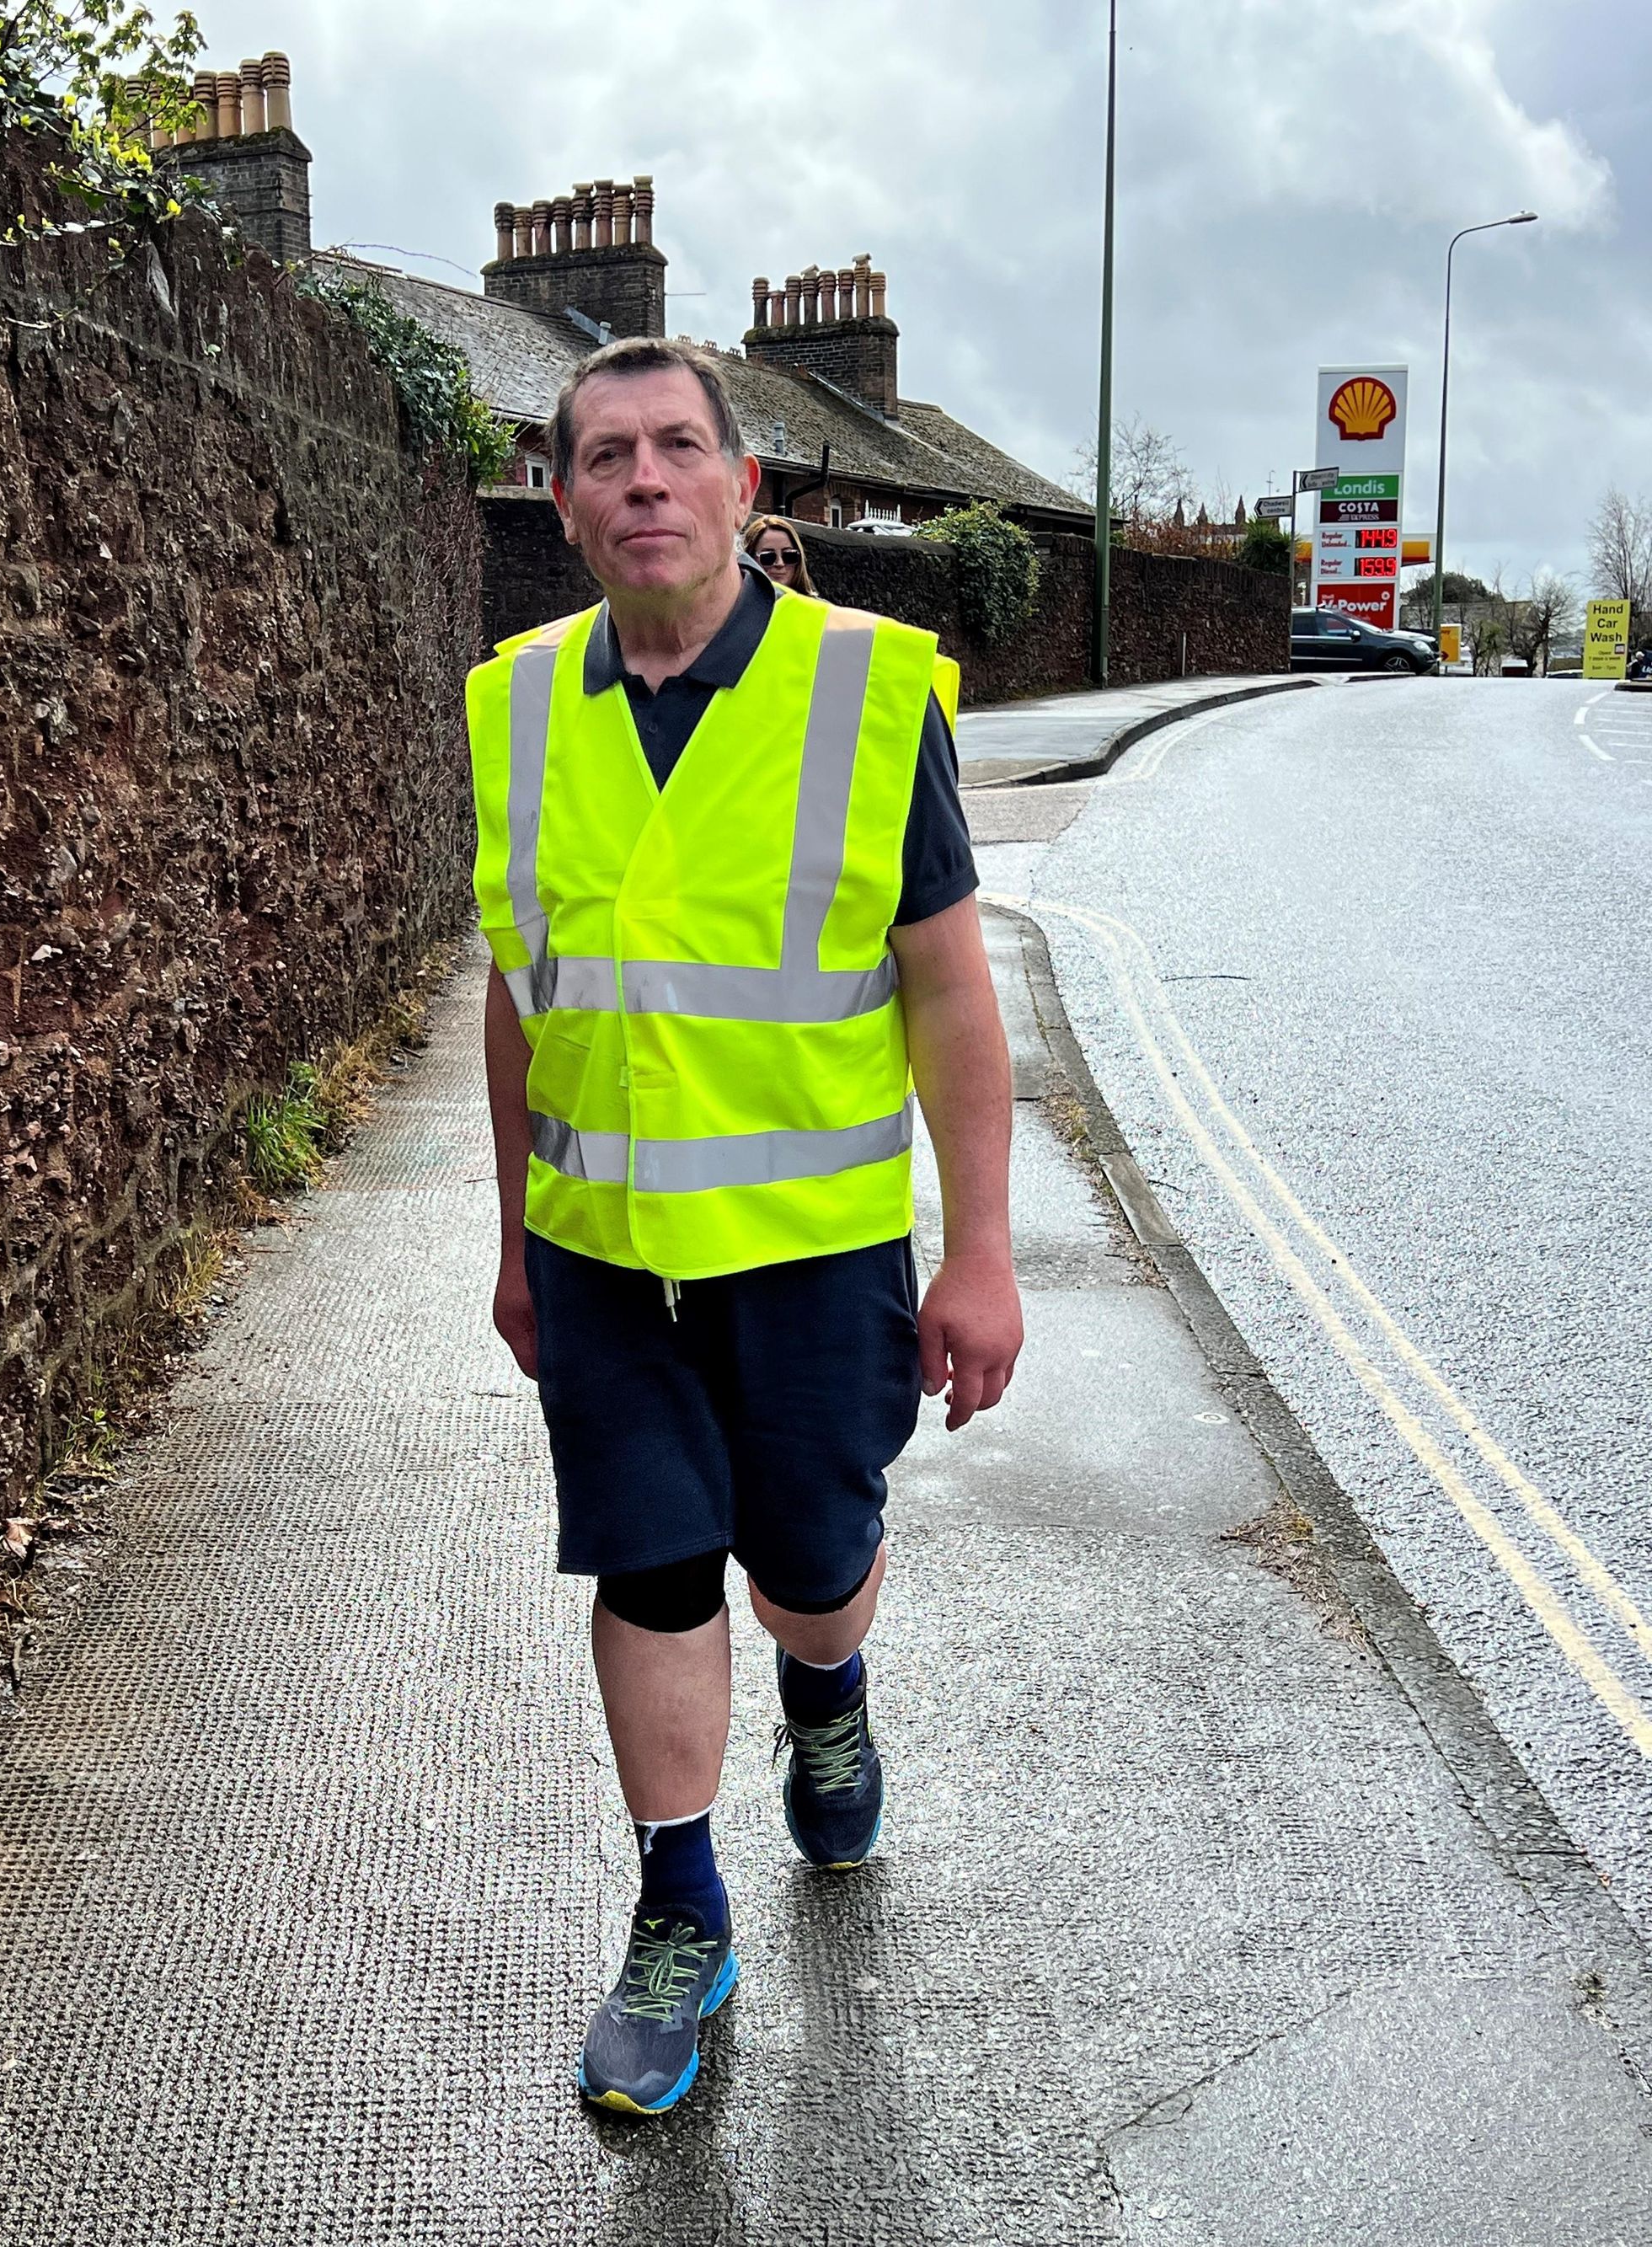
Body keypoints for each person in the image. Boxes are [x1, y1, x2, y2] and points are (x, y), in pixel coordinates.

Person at [468, 336, 1022, 2117]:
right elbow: (515, 995)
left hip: (813, 1248)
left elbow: (946, 991)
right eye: (605, 453)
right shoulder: (520, 703)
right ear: (561, 499)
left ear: (742, 487)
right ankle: (678, 1906)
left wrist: (983, 1250)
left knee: (802, 1565)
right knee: (645, 1559)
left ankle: (832, 1685)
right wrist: (509, 1235)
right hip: (602, 1252)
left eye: (677, 447)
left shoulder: (869, 697)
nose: (643, 477)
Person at [742, 511, 819, 597]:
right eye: (768, 557)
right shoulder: (734, 607)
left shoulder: (820, 608)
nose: (780, 563)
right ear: (749, 559)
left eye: (789, 556)